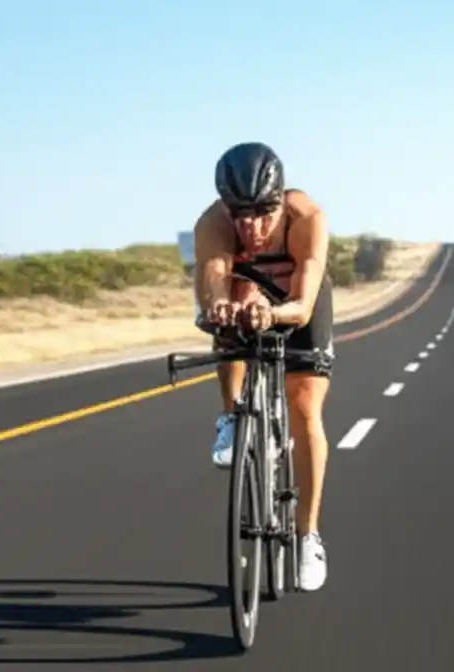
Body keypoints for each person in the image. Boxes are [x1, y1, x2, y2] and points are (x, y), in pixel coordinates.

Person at [192, 141, 332, 592]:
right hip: (247, 288)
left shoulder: (306, 218)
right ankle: (232, 415)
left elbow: (304, 306)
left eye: (262, 213)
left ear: (280, 199)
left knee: (304, 404)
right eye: (240, 214)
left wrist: (273, 315)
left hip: (296, 299)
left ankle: (308, 536)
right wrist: (221, 308)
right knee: (227, 313)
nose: (251, 226)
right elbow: (213, 278)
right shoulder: (213, 224)